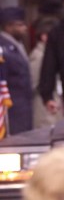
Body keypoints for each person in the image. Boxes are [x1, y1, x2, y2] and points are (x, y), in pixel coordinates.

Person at [0, 7, 33, 135]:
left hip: (22, 107)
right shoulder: (3, 48)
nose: (24, 28)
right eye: (20, 25)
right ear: (8, 26)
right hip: (11, 108)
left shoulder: (16, 45)